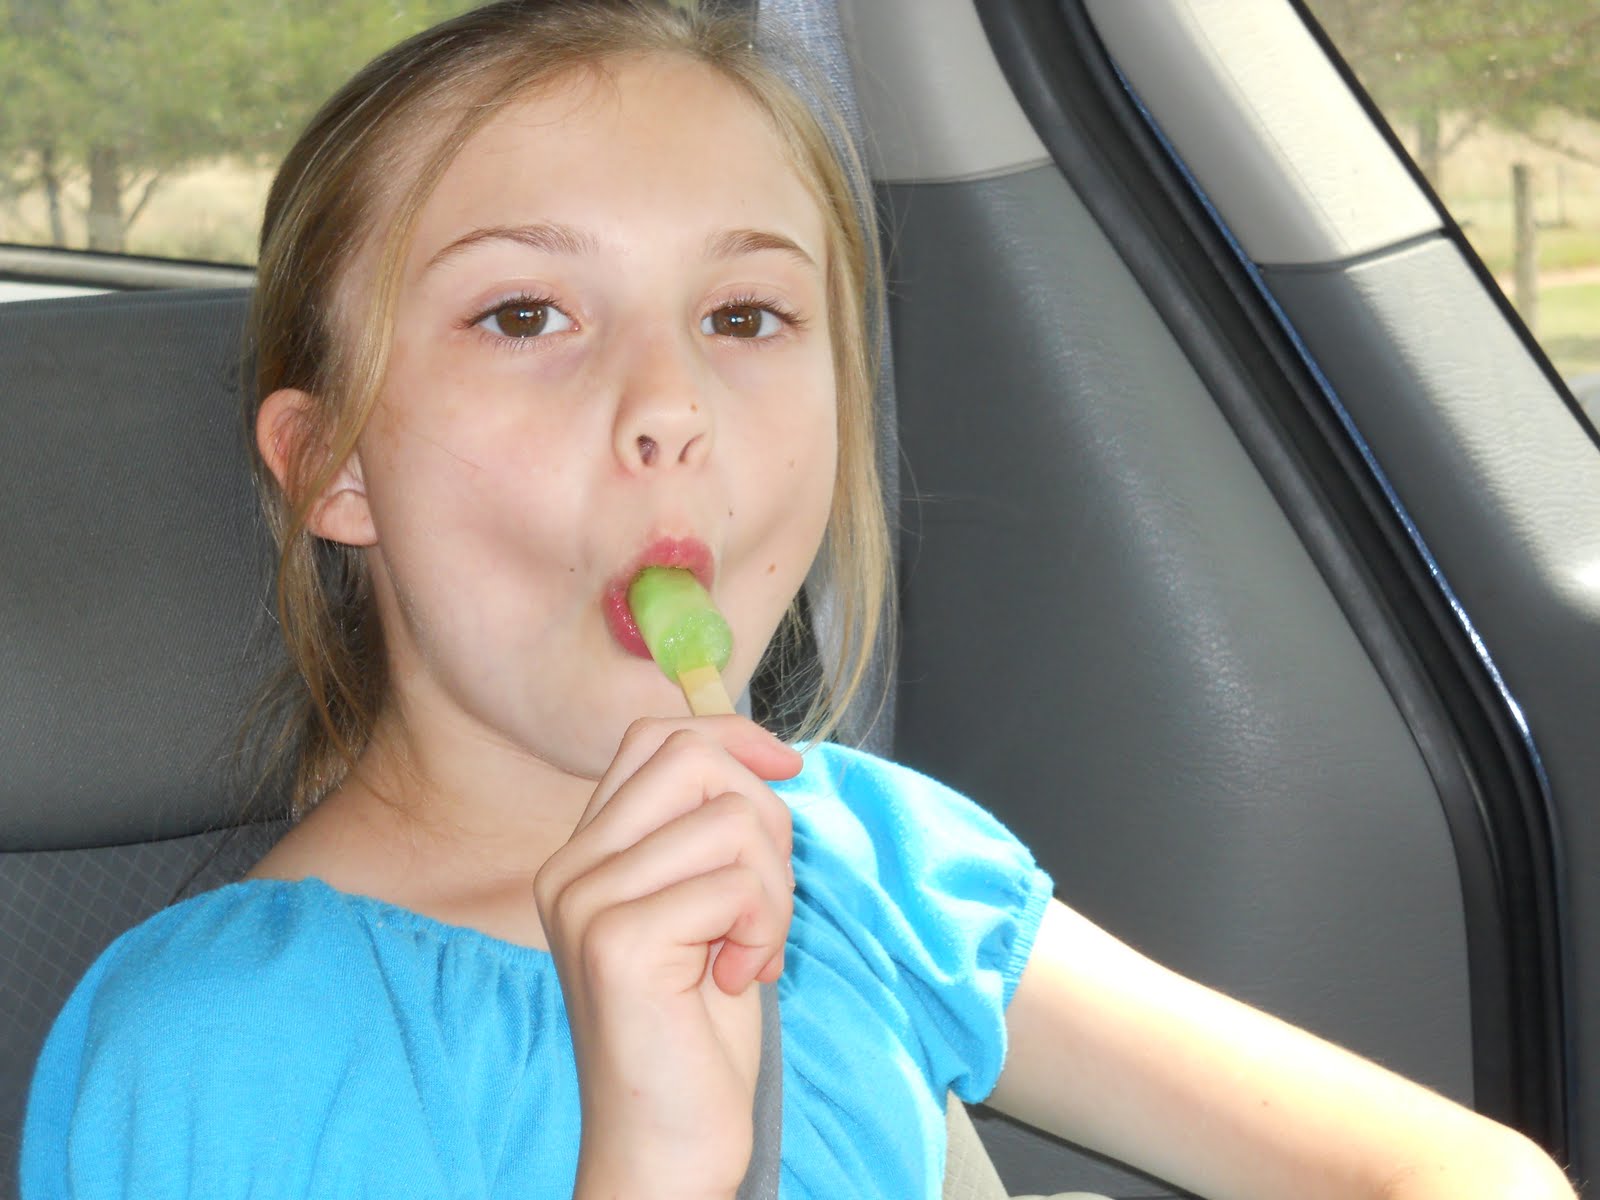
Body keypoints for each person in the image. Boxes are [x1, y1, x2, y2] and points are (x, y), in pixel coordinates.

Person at [18, 3, 1579, 1198]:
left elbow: (1457, 1169)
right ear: (333, 469)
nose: (668, 405)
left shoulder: (868, 857)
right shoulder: (210, 1053)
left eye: (747, 314)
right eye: (525, 312)